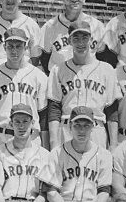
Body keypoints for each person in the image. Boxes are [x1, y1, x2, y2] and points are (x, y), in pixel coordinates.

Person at [47, 20, 120, 150]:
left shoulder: (107, 70)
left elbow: (112, 111)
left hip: (96, 129)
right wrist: (54, 142)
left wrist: (114, 144)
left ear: (91, 40)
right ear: (69, 41)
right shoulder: (58, 70)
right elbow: (54, 110)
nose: (81, 43)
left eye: (84, 37)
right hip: (67, 128)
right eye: (76, 38)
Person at [0, 28, 49, 150]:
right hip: (0, 138)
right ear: (4, 47)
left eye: (18, 46)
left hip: (30, 138)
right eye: (10, 46)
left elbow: (43, 118)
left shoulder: (39, 77)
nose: (14, 50)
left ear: (26, 48)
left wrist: (45, 147)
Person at [39, 0, 106, 73]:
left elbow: (102, 57)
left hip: (88, 80)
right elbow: (44, 58)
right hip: (60, 80)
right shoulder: (49, 26)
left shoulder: (97, 26)